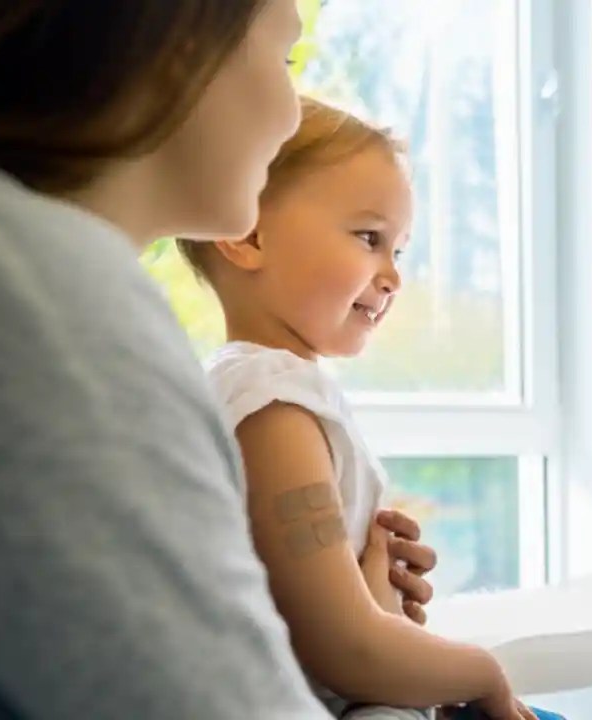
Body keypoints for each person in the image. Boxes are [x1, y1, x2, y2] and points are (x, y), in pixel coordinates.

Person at [0, 1, 429, 716]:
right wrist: (390, 654)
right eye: (283, 58)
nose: (287, 116)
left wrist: (361, 607)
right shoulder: (33, 284)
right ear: (179, 43)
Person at [177, 95, 539, 720]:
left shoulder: (260, 389)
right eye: (369, 237)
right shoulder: (271, 405)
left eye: (397, 250)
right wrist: (484, 676)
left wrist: (379, 603)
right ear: (248, 235)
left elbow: (339, 624)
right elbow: (343, 650)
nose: (393, 276)